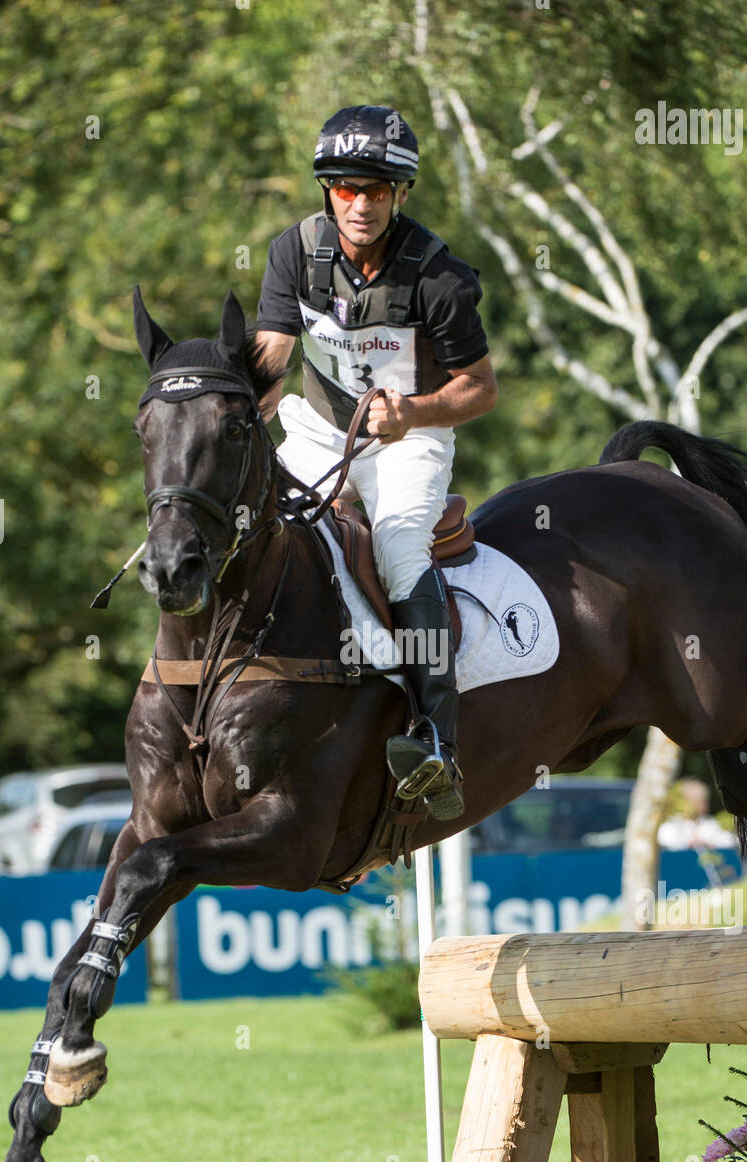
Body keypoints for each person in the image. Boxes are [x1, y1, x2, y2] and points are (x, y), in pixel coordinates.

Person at [253, 104, 497, 820]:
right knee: (261, 523)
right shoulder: (293, 252)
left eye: (378, 191)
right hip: (320, 429)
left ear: (400, 194)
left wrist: (414, 413)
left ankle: (434, 741)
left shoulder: (439, 274)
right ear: (328, 190)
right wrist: (244, 407)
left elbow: (481, 389)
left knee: (395, 547)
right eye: (346, 189)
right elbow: (272, 360)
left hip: (408, 439)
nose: (361, 205)